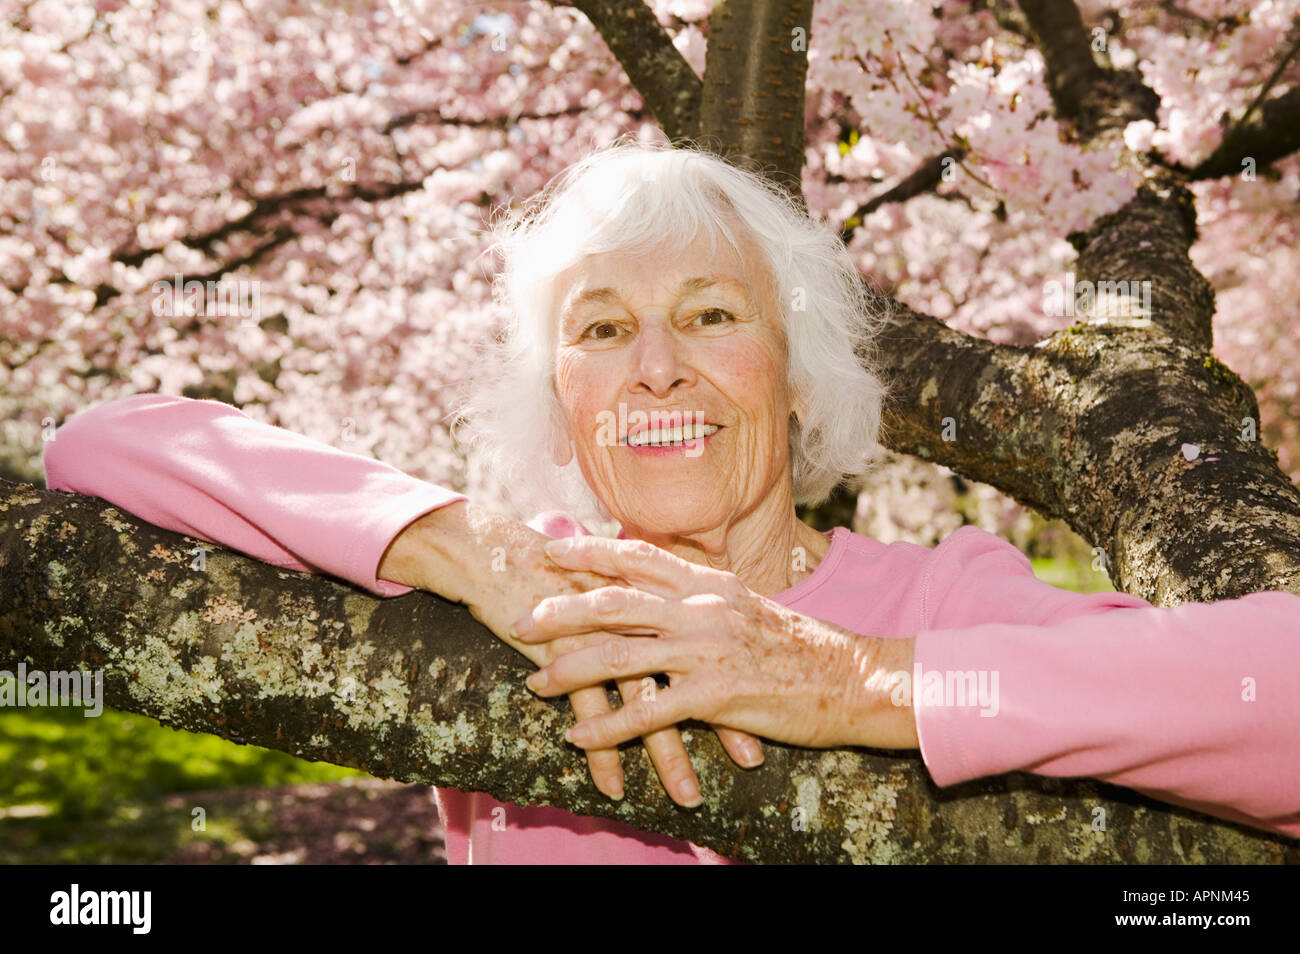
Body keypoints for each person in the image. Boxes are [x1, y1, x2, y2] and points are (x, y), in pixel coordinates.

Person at [42, 141, 1300, 864]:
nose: (657, 367)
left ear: (795, 373)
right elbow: (108, 446)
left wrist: (850, 682)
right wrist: (454, 541)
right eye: (602, 327)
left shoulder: (935, 602)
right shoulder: (505, 596)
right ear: (559, 395)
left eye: (709, 314)